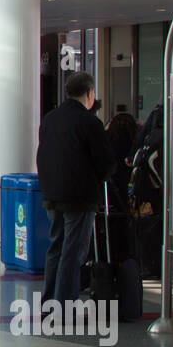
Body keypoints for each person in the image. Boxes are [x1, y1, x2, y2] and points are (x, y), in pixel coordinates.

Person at [36, 72, 116, 307]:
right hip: (80, 197)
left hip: (52, 194)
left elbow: (42, 155)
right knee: (73, 251)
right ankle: (64, 305)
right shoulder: (90, 122)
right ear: (90, 93)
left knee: (56, 247)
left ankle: (49, 301)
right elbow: (105, 162)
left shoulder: (50, 118)